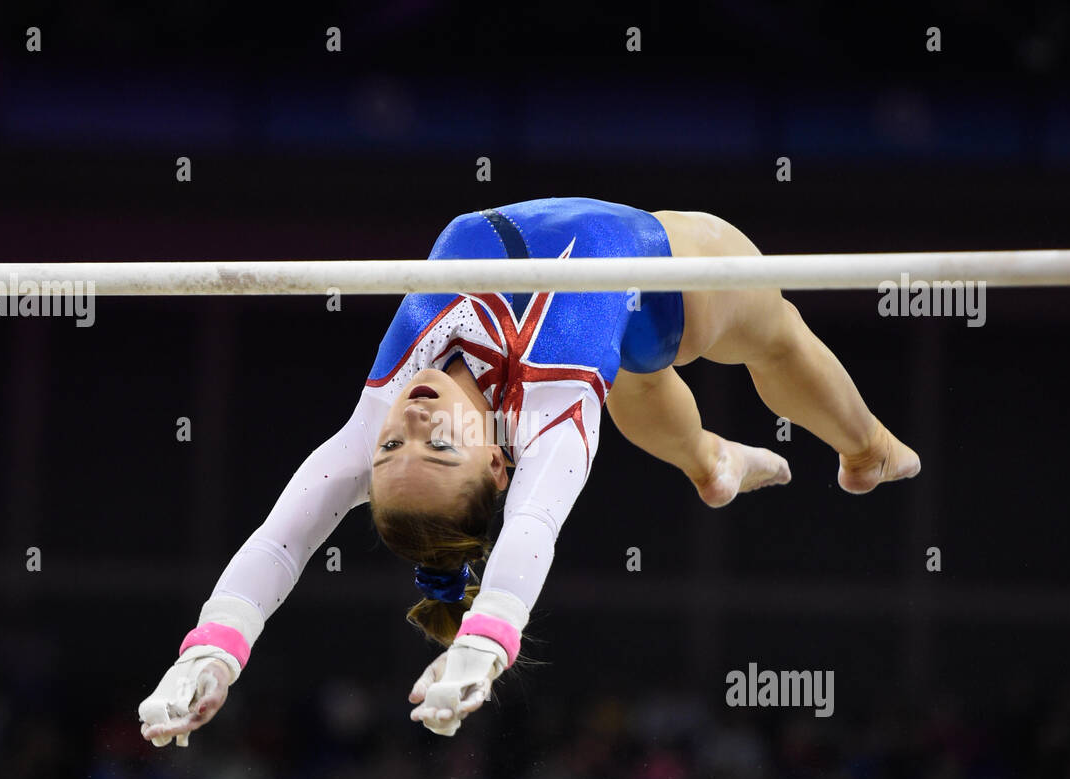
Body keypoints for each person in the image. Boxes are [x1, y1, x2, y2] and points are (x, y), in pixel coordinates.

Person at [138, 197, 919, 743]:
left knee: (635, 380)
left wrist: (212, 648)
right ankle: (869, 446)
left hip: (623, 333)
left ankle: (709, 459)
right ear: (497, 459)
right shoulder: (550, 419)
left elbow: (285, 537)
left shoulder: (393, 398)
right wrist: (486, 636)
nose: (407, 424)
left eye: (388, 450)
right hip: (671, 285)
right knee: (775, 330)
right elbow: (535, 524)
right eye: (437, 444)